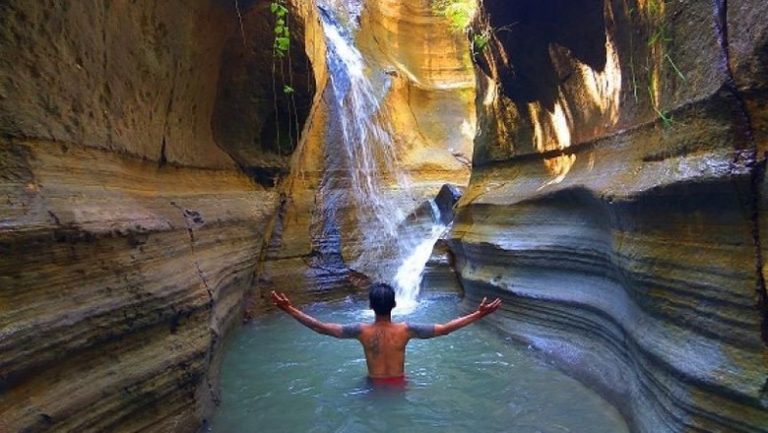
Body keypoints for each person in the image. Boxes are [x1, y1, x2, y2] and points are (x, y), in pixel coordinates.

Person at [270, 283, 502, 386]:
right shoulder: (406, 330)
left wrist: (289, 309)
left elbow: (320, 327)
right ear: (394, 305)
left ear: (370, 306)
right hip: (400, 384)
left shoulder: (361, 331)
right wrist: (478, 314)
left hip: (373, 386)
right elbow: (445, 329)